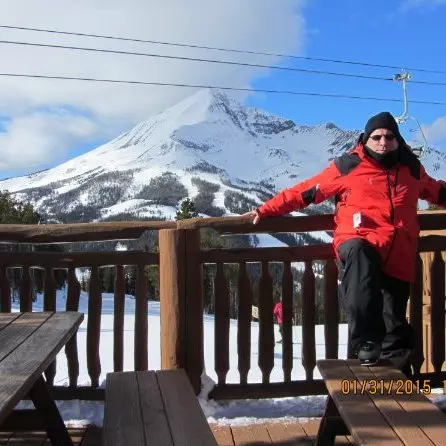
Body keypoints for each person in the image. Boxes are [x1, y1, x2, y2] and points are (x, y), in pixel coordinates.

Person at [243, 112, 446, 373]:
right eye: (377, 136)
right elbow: (305, 191)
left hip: (398, 252)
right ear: (366, 139)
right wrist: (265, 210)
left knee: (395, 323)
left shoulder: (411, 169)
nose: (383, 141)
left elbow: (438, 192)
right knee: (362, 274)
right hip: (359, 242)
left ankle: (397, 387)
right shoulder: (348, 166)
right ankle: (365, 342)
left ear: (397, 140)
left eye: (389, 136)